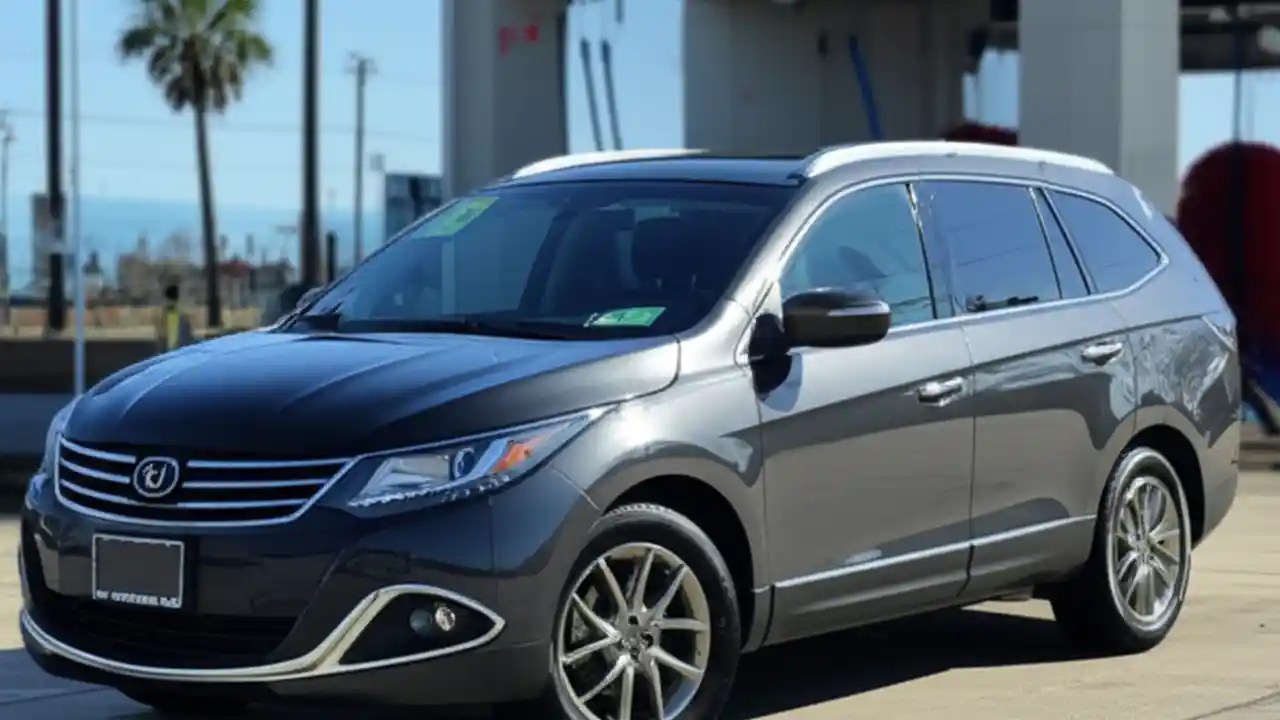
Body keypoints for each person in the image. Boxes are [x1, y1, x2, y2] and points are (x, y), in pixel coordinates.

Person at [155, 283, 194, 353]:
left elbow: (161, 336)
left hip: (172, 350)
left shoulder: (165, 314)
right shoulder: (182, 315)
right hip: (177, 350)